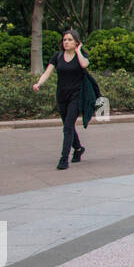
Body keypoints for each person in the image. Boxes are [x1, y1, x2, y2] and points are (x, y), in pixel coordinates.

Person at [32, 29, 90, 170]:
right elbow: (47, 72)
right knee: (67, 126)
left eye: (70, 40)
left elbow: (84, 65)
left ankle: (64, 158)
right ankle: (78, 148)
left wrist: (79, 50)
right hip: (62, 96)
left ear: (76, 42)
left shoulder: (81, 56)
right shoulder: (57, 57)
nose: (66, 42)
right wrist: (39, 83)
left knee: (68, 126)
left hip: (76, 96)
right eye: (64, 40)